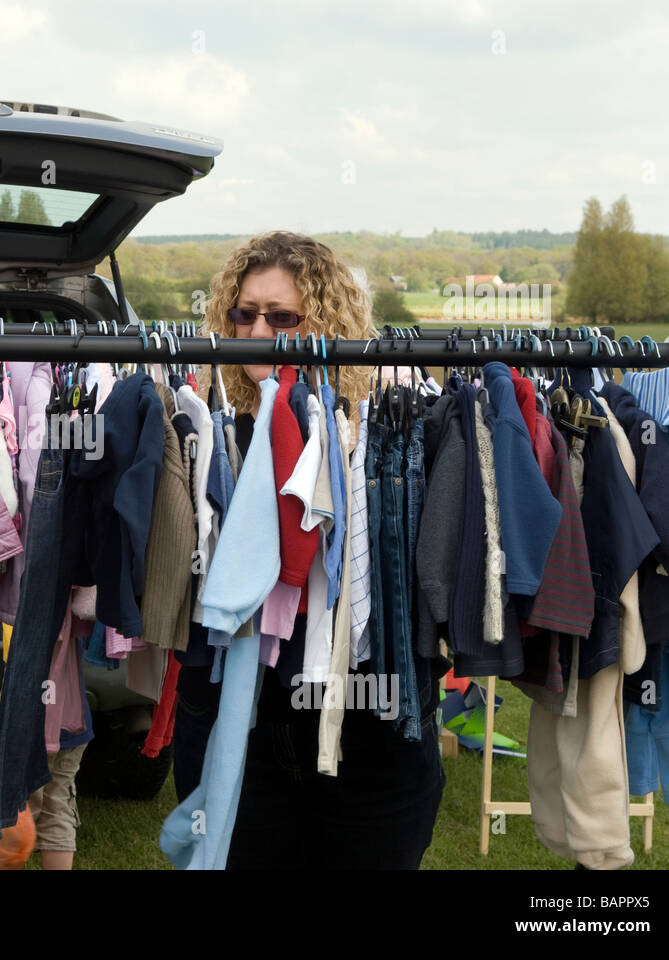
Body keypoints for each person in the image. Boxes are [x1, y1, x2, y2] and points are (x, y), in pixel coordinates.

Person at [182, 231, 445, 868]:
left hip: (370, 731)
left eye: (281, 316)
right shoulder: (209, 428)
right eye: (243, 314)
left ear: (326, 322)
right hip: (241, 728)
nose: (256, 330)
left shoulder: (388, 431)